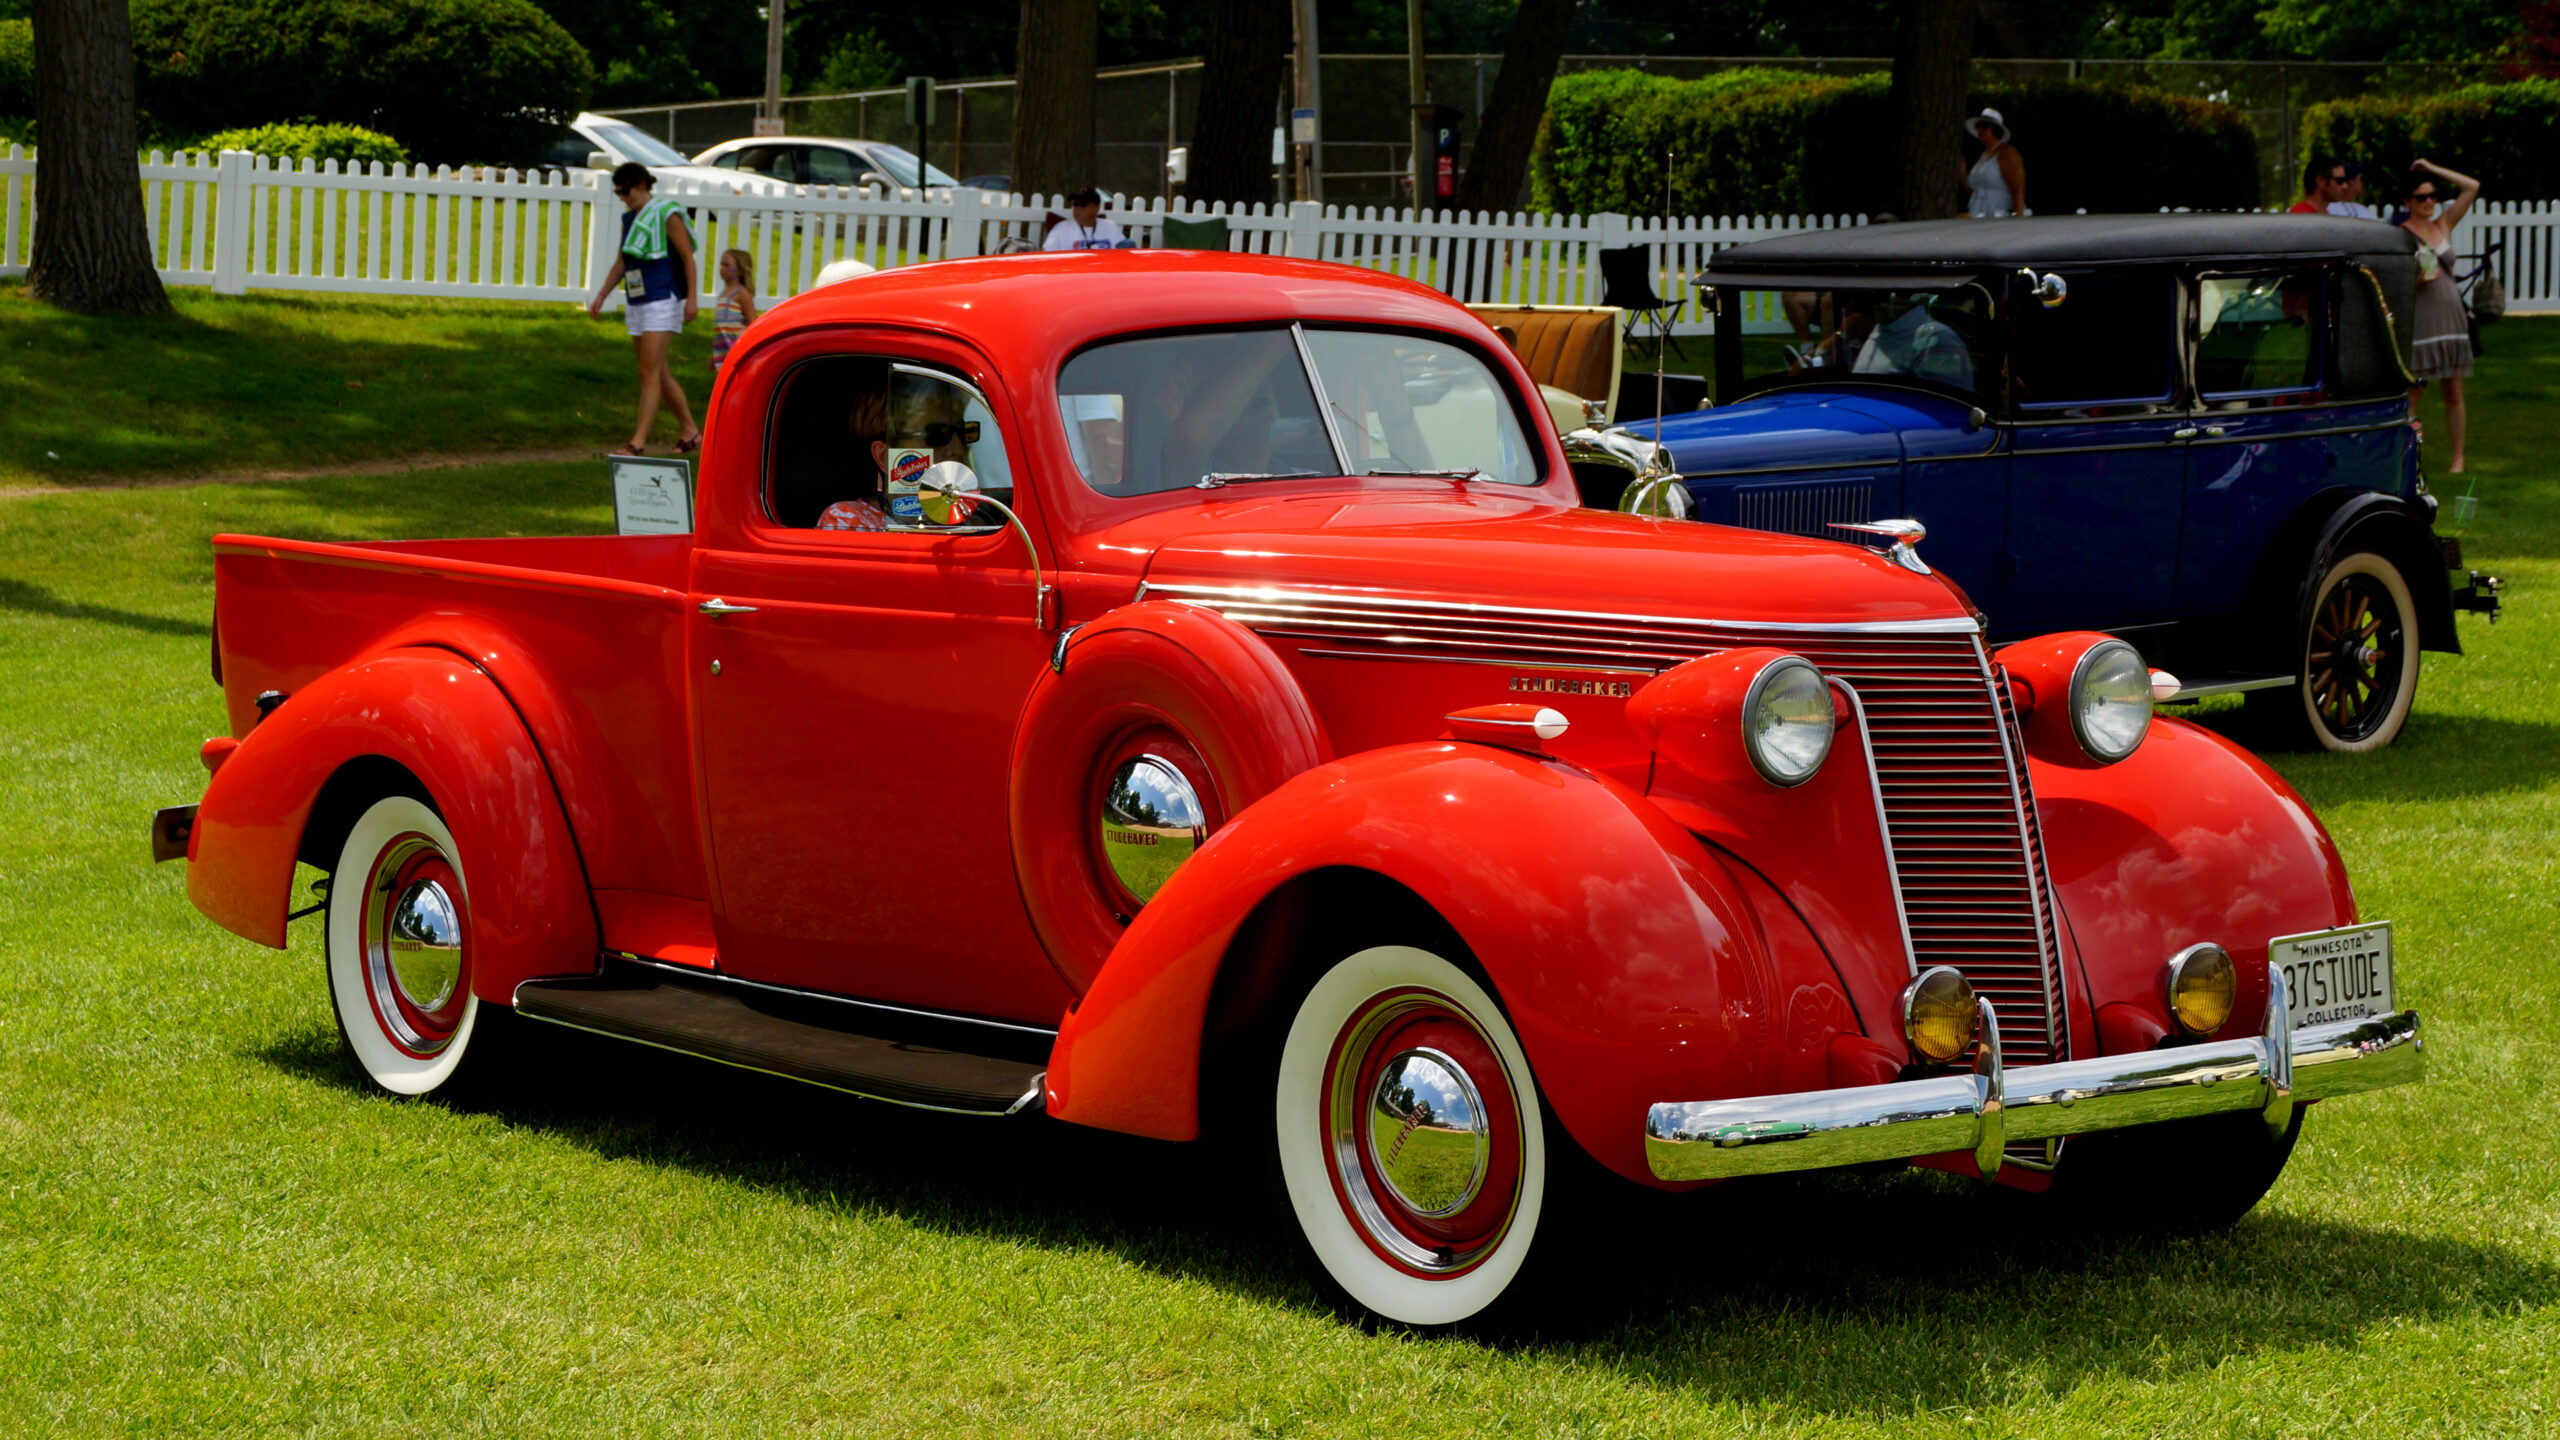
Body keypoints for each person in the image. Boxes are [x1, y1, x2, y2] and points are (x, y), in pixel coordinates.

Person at [586, 163, 700, 456]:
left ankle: (637, 443)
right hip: (638, 299)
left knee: (648, 372)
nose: (621, 196)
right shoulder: (630, 219)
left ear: (640, 184)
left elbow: (687, 256)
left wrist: (692, 299)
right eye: (617, 192)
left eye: (624, 190)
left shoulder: (665, 213)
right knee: (657, 371)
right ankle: (690, 430)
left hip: (663, 297)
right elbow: (622, 261)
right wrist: (602, 294)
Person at [2401, 157, 2483, 472]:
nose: (2429, 202)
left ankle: (2458, 459)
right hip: (2423, 321)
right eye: (2421, 197)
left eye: (2433, 196)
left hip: (2452, 319)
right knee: (2414, 394)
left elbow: (2471, 187)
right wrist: (2419, 279)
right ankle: (2408, 458)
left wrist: (2431, 169)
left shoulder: (2442, 225)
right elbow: (2397, 282)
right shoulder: (2401, 235)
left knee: (2454, 390)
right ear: (2407, 201)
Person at [1963, 109, 2025, 218]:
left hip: (2000, 214)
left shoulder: (2007, 153)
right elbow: (1974, 192)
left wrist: (2017, 220)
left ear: (1996, 130)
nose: (1981, 130)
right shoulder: (1983, 155)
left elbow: (2018, 191)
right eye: (1979, 125)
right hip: (1978, 213)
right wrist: (1962, 173)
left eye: (1986, 126)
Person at [710, 248, 757, 375]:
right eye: (721, 264)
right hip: (723, 349)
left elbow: (753, 322)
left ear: (740, 271)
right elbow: (719, 329)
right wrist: (713, 354)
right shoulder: (723, 295)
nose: (722, 268)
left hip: (736, 348)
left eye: (727, 265)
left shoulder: (742, 293)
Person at [1044, 188, 1127, 250]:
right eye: (1075, 204)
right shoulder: (1061, 228)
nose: (1077, 208)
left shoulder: (1109, 226)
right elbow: (1047, 255)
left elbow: (1122, 254)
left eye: (1083, 205)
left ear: (1096, 208)